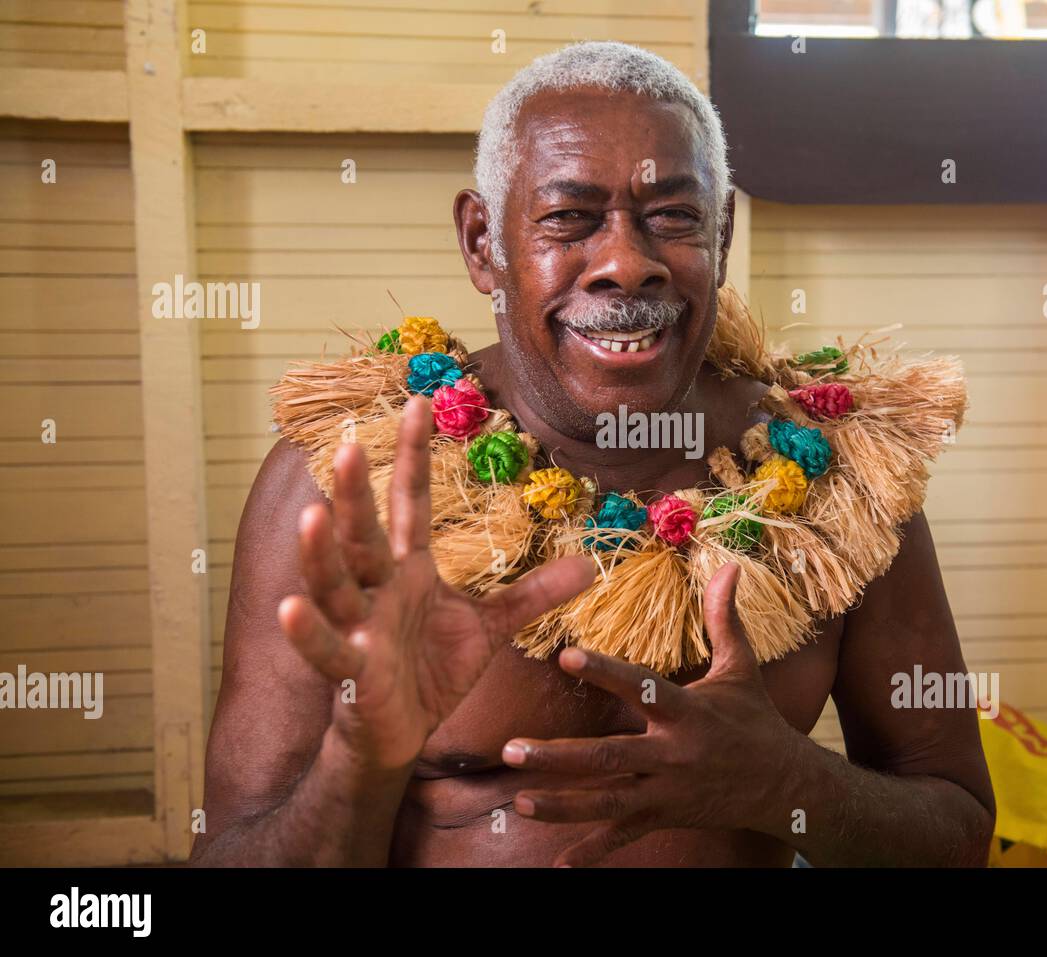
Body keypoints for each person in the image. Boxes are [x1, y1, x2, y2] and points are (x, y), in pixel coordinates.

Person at [189, 41, 994, 868]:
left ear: (720, 236)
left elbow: (961, 834)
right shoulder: (348, 480)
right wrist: (358, 758)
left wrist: (784, 782)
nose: (625, 264)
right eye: (569, 218)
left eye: (672, 218)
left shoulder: (838, 482)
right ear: (481, 243)